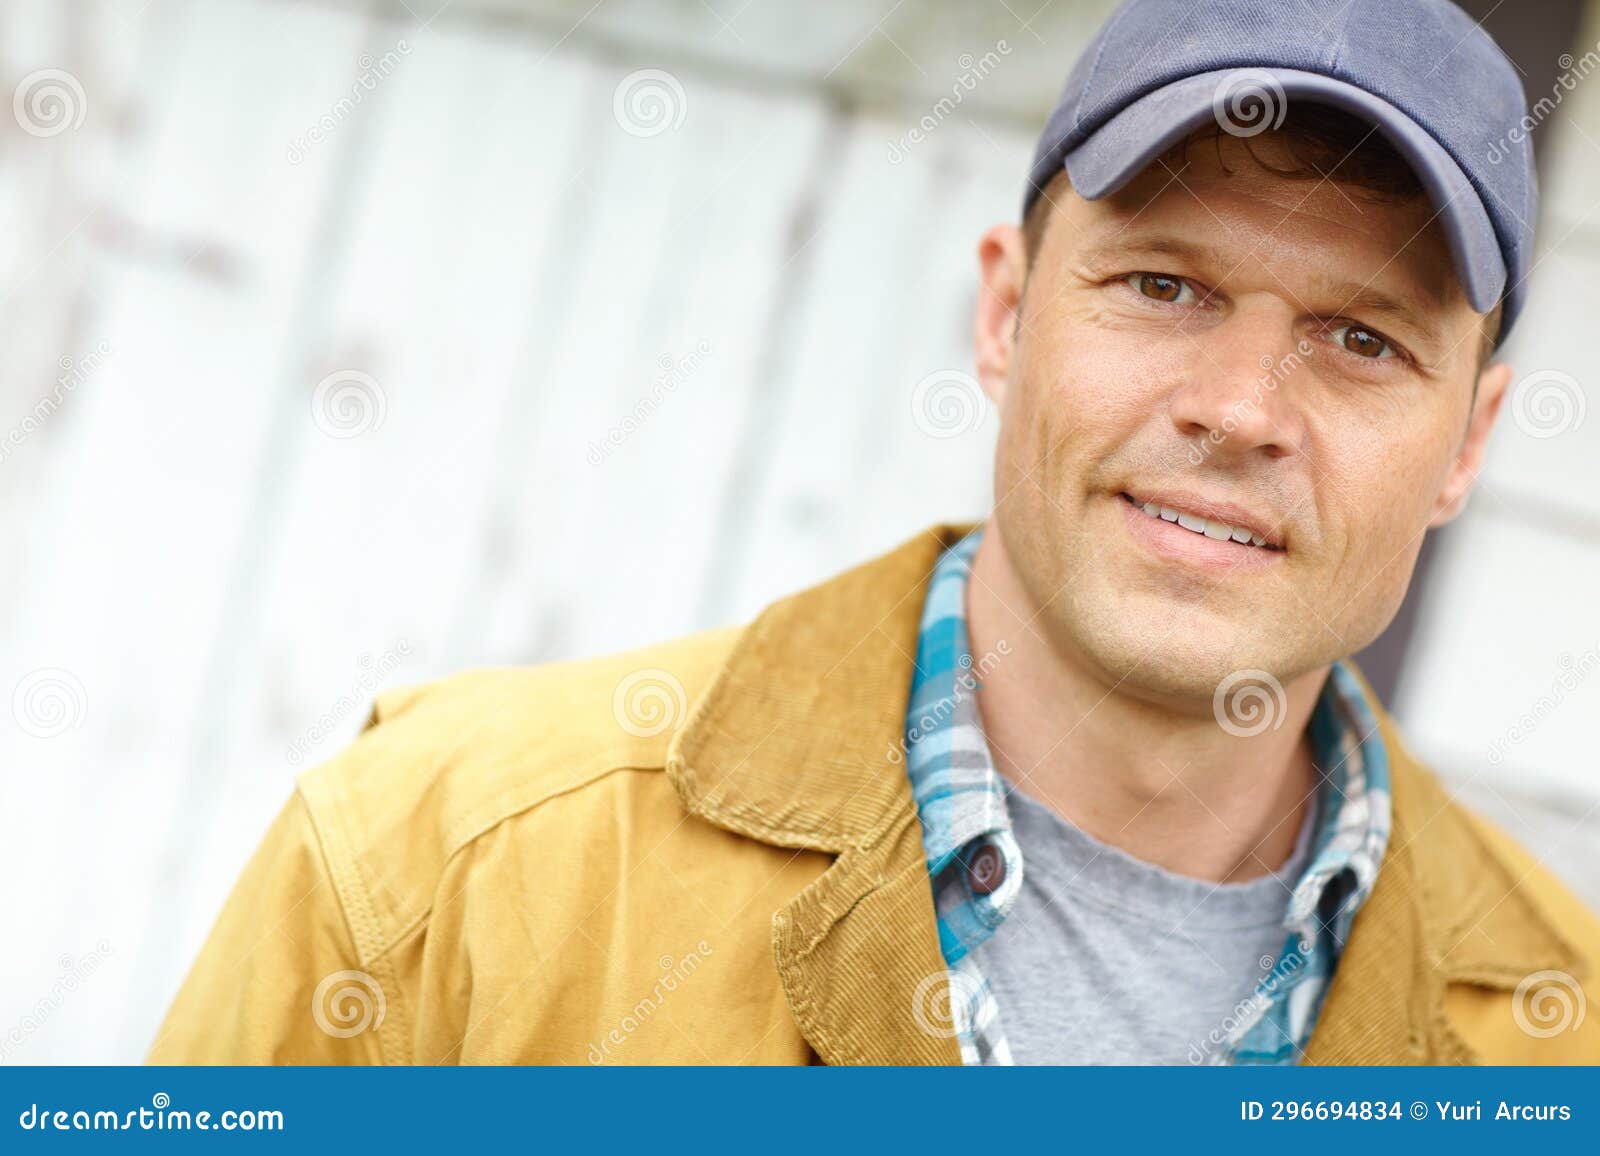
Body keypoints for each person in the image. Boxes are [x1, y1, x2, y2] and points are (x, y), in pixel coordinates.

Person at [151, 0, 1600, 1065]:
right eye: (1164, 287)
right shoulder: (444, 860)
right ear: (1004, 314)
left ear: (1468, 442)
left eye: (1359, 339)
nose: (1240, 409)